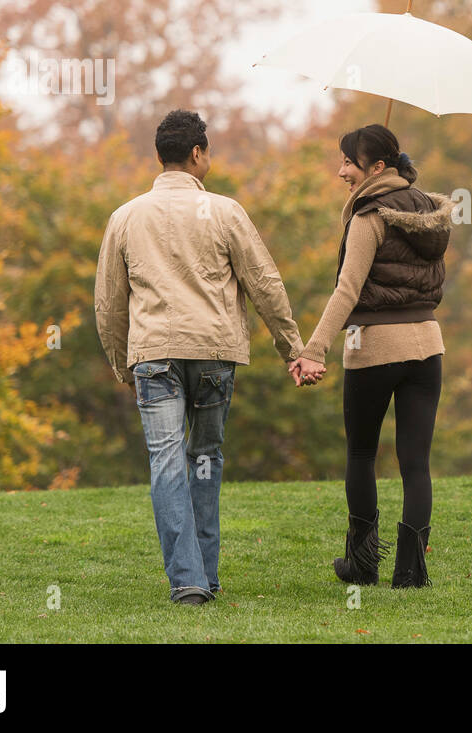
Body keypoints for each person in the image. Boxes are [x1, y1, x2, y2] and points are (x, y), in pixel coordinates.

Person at [94, 109, 319, 605]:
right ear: (198, 154)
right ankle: (206, 574)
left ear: (159, 157)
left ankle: (189, 581)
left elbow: (108, 302)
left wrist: (120, 361)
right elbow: (265, 284)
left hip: (153, 355)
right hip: (215, 353)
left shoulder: (125, 217)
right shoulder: (225, 211)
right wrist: (293, 350)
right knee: (204, 458)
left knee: (166, 460)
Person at [292, 124, 453, 588]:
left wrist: (313, 349)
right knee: (416, 462)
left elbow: (347, 290)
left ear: (376, 168)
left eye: (348, 162)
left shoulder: (369, 216)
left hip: (375, 347)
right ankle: (411, 571)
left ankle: (362, 563)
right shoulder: (430, 212)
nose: (341, 170)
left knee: (361, 453)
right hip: (427, 347)